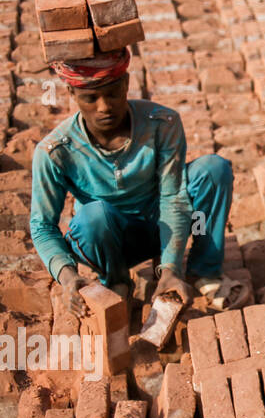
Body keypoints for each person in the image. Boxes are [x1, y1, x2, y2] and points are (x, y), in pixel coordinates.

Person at [30, 48, 234, 317]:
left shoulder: (162, 123)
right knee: (93, 217)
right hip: (108, 242)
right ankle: (116, 281)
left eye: (113, 93)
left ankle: (203, 271)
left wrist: (171, 269)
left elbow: (173, 196)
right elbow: (42, 226)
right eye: (90, 98)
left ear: (126, 84)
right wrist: (67, 276)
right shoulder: (55, 152)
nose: (104, 107)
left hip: (164, 228)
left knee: (213, 170)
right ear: (72, 95)